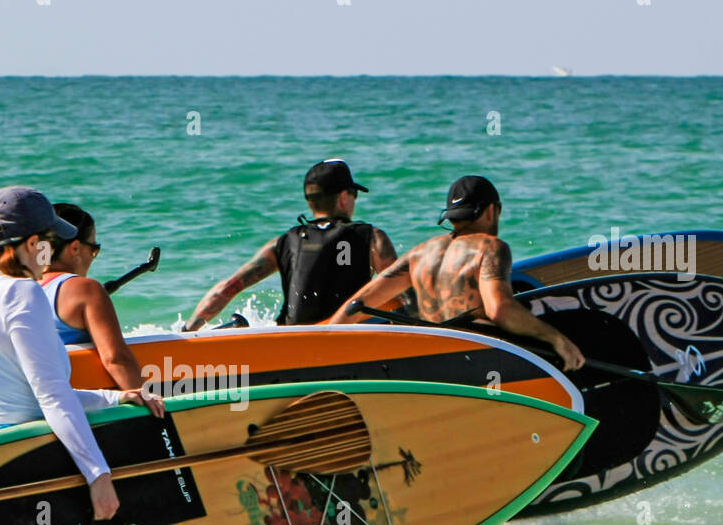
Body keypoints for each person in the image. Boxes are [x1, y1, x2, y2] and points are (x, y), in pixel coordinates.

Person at [0, 186, 163, 521]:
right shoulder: (21, 291)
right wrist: (98, 475)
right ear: (31, 244)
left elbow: (24, 396)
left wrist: (114, 398)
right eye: (49, 240)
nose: (51, 250)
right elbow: (52, 395)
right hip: (0, 454)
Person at [328, 175, 585, 371]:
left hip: (420, 364)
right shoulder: (490, 248)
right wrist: (556, 339)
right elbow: (500, 310)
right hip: (473, 364)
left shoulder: (418, 255)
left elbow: (355, 307)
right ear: (491, 210)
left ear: (451, 217)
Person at [183, 159, 398, 329]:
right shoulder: (370, 237)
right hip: (349, 336)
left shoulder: (283, 243)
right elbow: (402, 292)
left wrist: (187, 331)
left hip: (293, 337)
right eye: (354, 194)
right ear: (343, 197)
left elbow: (227, 289)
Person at [39, 203, 145, 389]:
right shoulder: (84, 289)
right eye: (93, 248)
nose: (93, 256)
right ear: (75, 248)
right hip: (72, 401)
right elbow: (116, 359)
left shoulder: (22, 286)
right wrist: (154, 405)